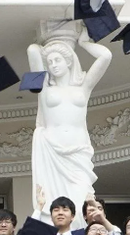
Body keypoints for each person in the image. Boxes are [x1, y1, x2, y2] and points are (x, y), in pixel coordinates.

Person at [28, 29, 111, 221]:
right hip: (51, 150)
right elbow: (32, 50)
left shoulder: (83, 86)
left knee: (81, 203)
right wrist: (48, 47)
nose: (53, 65)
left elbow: (105, 56)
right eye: (49, 62)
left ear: (69, 61)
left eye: (57, 60)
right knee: (51, 205)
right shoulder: (44, 88)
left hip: (78, 154)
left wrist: (84, 43)